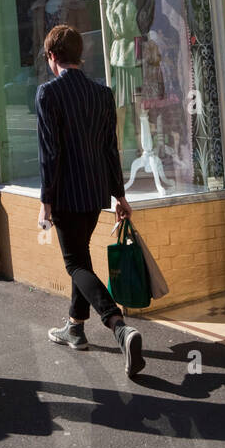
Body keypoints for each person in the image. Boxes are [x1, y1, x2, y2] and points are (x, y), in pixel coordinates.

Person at [35, 24, 145, 377]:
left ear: (53, 56)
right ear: (79, 54)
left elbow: (50, 152)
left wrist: (45, 200)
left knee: (75, 264)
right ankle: (75, 328)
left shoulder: (48, 93)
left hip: (67, 193)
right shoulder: (102, 93)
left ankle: (117, 326)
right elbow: (110, 148)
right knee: (81, 258)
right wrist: (119, 194)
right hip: (95, 191)